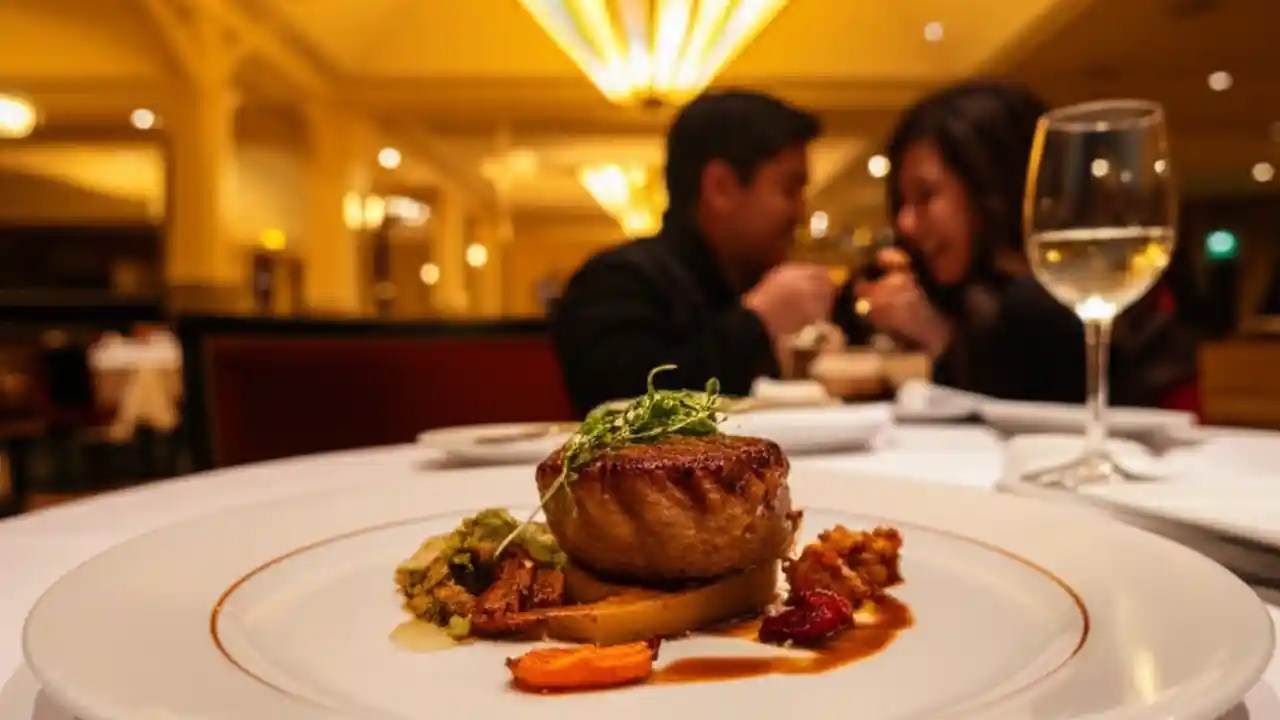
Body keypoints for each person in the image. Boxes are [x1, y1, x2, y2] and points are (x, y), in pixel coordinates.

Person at [851, 79, 1198, 407]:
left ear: (991, 183)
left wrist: (937, 337)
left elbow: (1039, 413)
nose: (905, 223)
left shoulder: (1086, 309)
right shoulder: (972, 298)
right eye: (902, 202)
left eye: (926, 195)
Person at [551, 90, 835, 415]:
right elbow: (626, 404)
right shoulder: (615, 280)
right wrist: (758, 322)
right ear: (720, 188)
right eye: (789, 189)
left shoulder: (745, 279)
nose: (801, 212)